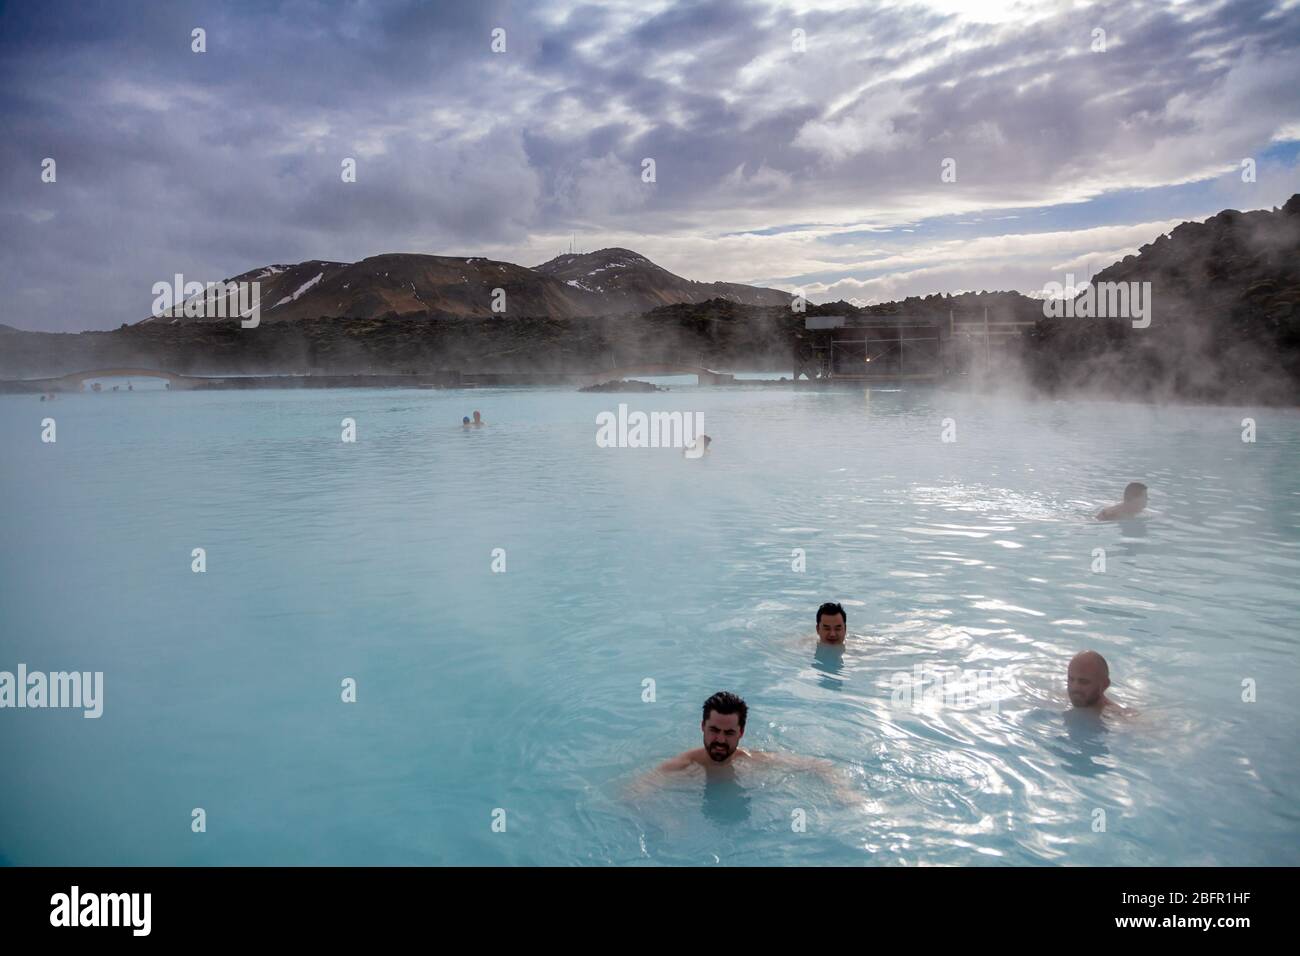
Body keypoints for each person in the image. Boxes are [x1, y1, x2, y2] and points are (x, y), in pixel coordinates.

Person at [640, 692, 859, 800]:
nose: (720, 740)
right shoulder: (683, 766)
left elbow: (819, 766)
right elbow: (633, 792)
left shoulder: (754, 761)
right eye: (714, 730)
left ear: (741, 733)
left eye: (729, 733)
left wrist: (843, 791)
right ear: (702, 727)